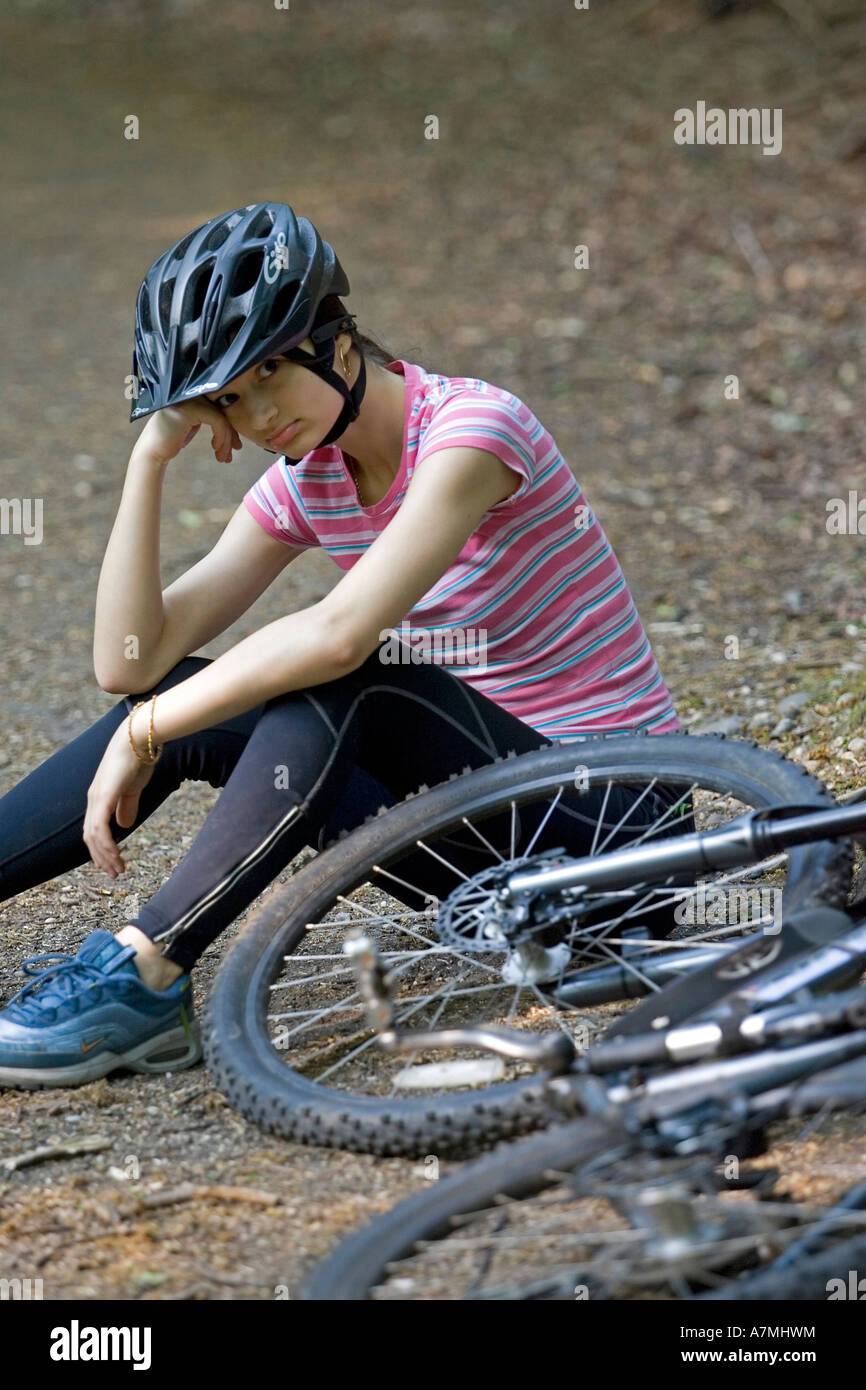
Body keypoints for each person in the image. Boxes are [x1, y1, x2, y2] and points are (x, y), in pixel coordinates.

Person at [0, 201, 681, 1089]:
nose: (256, 417)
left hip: (615, 837)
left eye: (270, 374)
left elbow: (338, 636)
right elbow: (131, 659)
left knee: (347, 670)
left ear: (338, 340)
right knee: (198, 697)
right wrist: (150, 461)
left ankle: (145, 970)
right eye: (231, 399)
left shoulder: (475, 431)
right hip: (492, 858)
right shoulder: (312, 476)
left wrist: (145, 733)